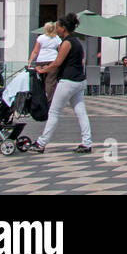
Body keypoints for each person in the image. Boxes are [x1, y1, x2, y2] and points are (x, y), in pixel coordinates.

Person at [33, 13, 92, 153]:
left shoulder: (67, 43)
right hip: (79, 80)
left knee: (53, 111)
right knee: (81, 112)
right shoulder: (77, 42)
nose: (56, 29)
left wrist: (42, 70)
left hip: (68, 81)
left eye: (57, 27)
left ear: (63, 28)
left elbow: (57, 63)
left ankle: (41, 143)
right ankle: (87, 143)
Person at [29, 21, 62, 104]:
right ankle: (48, 101)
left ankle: (40, 99)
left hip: (41, 61)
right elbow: (60, 50)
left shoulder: (40, 38)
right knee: (50, 82)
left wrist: (30, 61)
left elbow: (35, 51)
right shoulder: (57, 38)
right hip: (52, 61)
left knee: (40, 81)